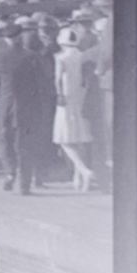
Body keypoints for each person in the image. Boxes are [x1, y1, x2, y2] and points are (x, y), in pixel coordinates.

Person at [0, 27, 57, 195]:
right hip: (28, 106)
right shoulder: (33, 57)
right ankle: (24, 184)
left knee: (5, 140)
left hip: (7, 105)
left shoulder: (0, 57)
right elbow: (42, 83)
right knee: (25, 144)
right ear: (19, 38)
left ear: (7, 40)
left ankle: (10, 172)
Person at [53, 25, 98, 191]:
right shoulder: (82, 56)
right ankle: (78, 178)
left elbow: (57, 79)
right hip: (79, 97)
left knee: (64, 139)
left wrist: (59, 95)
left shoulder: (61, 57)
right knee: (79, 137)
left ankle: (83, 171)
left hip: (65, 97)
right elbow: (86, 80)